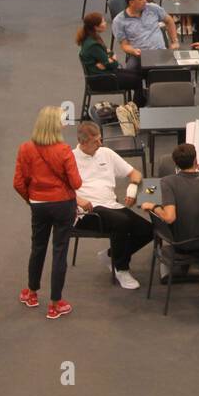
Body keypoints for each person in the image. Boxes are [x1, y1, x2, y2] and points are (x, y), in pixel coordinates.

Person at [14, 106, 83, 319]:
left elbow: (18, 182)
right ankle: (55, 303)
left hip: (39, 205)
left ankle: (32, 292)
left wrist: (32, 199)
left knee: (38, 247)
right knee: (59, 251)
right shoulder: (64, 150)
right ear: (56, 125)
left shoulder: (25, 148)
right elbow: (76, 182)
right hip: (63, 205)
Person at [71, 121, 151, 290]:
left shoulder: (106, 153)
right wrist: (78, 200)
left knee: (148, 230)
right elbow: (60, 189)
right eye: (96, 141)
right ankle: (121, 269)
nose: (100, 144)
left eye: (100, 139)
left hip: (111, 205)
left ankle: (111, 256)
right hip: (87, 212)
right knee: (121, 222)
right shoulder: (70, 158)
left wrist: (133, 187)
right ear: (83, 142)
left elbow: (135, 173)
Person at [141, 143, 199, 294]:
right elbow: (170, 217)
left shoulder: (165, 182)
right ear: (196, 161)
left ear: (175, 163)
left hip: (177, 241)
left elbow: (146, 194)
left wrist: (152, 205)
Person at [77, 11, 145, 105]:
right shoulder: (93, 45)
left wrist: (109, 58)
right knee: (138, 81)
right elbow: (112, 64)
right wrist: (112, 59)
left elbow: (109, 53)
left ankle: (137, 104)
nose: (105, 23)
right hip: (101, 79)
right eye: (103, 22)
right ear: (96, 27)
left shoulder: (93, 37)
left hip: (105, 73)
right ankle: (137, 110)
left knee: (138, 74)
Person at [112, 0, 178, 70]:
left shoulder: (153, 8)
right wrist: (133, 51)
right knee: (130, 72)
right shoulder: (119, 21)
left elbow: (169, 21)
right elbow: (124, 45)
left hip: (160, 51)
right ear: (131, 2)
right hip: (139, 55)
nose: (145, 1)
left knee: (177, 70)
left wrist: (174, 41)